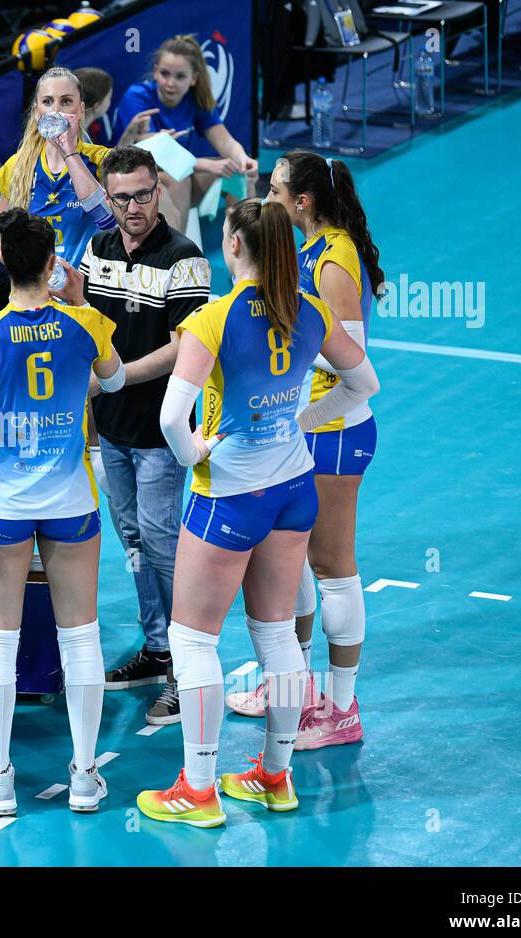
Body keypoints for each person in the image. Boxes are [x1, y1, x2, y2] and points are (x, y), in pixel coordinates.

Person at [135, 199, 378, 829]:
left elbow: (170, 418)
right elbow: (363, 385)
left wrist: (195, 455)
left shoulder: (211, 320)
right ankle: (276, 775)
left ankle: (198, 786)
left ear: (235, 246)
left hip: (229, 496)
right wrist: (302, 421)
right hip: (294, 486)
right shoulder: (309, 311)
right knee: (277, 636)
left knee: (193, 640)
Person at [0, 209, 125, 816]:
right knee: (81, 635)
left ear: (3, 260)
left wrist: (7, 413)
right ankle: (82, 776)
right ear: (53, 264)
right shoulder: (88, 325)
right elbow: (117, 380)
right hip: (71, 499)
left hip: (4, 503)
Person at [233, 150, 382, 751]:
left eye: (274, 192)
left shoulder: (335, 260)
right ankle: (290, 686)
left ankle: (342, 709)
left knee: (332, 567)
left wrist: (305, 418)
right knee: (288, 560)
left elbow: (354, 368)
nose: (268, 201)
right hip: (305, 434)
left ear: (303, 202)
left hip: (336, 435)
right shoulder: (310, 251)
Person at [76, 147, 210, 725]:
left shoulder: (185, 259)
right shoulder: (96, 250)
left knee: (161, 543)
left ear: (159, 190)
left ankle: (186, 669)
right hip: (111, 430)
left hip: (160, 431)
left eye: (143, 194)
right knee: (132, 540)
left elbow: (187, 344)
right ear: (108, 198)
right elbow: (80, 315)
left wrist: (121, 375)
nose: (133, 206)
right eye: (121, 196)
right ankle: (157, 647)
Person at [115, 35, 258, 235]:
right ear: (155, 72)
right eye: (165, 74)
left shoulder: (196, 100)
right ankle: (177, 257)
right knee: (179, 179)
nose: (170, 83)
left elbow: (225, 141)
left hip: (177, 174)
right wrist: (207, 165)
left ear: (194, 78)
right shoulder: (137, 96)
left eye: (180, 76)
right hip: (132, 179)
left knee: (237, 174)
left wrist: (243, 160)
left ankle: (243, 247)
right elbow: (152, 152)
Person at [0, 66, 116, 274]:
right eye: (47, 102)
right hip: (36, 290)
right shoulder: (17, 167)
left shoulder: (101, 160)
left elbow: (110, 222)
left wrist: (68, 151)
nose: (56, 111)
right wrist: (25, 268)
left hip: (89, 288)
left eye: (66, 101)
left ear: (82, 110)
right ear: (37, 111)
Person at [74, 66, 114, 147]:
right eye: (109, 98)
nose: (110, 102)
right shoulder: (78, 142)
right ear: (97, 106)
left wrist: (130, 134)